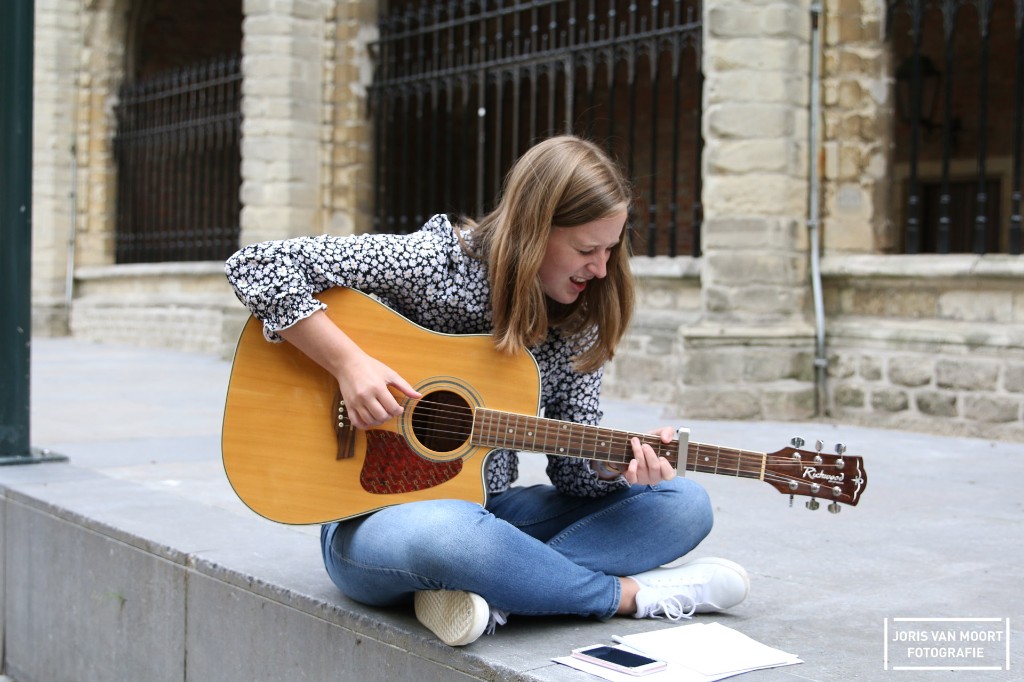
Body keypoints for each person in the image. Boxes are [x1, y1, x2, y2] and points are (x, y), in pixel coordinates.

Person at [224, 135, 748, 647]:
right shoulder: (437, 263)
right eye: (587, 249)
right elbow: (256, 264)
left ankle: (492, 588)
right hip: (376, 522)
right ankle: (627, 596)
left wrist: (611, 466)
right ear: (533, 230)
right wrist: (350, 364)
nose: (602, 268)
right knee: (453, 535)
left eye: (611, 248)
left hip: (490, 511)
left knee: (683, 504)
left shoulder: (578, 319)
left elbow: (572, 474)